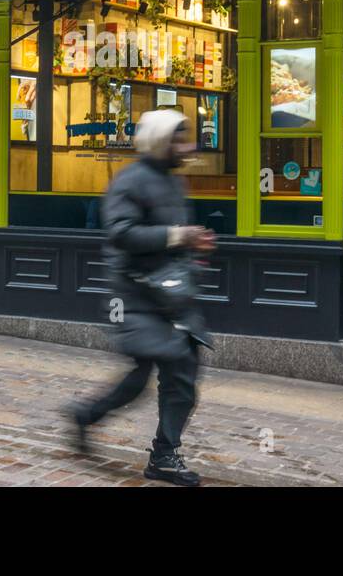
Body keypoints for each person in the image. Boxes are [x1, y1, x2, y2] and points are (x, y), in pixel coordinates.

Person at [66, 108, 215, 486]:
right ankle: (162, 456)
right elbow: (121, 233)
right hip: (133, 298)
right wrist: (179, 237)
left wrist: (192, 249)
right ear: (161, 142)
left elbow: (169, 237)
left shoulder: (171, 180)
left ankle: (90, 417)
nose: (189, 145)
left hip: (169, 298)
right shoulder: (130, 181)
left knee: (158, 374)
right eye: (180, 138)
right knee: (170, 368)